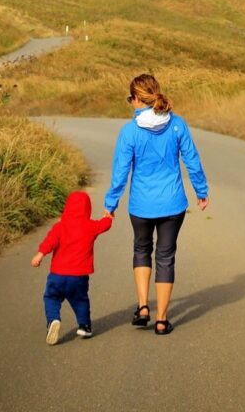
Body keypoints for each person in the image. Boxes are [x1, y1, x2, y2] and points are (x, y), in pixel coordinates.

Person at [104, 73, 209, 335]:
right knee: (165, 257)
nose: (130, 102)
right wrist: (201, 191)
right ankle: (162, 320)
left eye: (131, 98)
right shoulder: (177, 124)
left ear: (138, 99)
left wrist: (111, 203)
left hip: (141, 205)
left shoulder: (130, 131)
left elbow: (120, 172)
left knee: (141, 249)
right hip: (173, 204)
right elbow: (192, 160)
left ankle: (143, 307)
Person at [31, 190, 113, 344]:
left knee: (51, 297)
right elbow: (104, 225)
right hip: (79, 276)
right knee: (80, 300)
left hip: (57, 274)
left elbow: (50, 242)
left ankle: (53, 320)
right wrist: (108, 216)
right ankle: (84, 326)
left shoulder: (60, 226)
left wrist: (40, 254)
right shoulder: (90, 226)